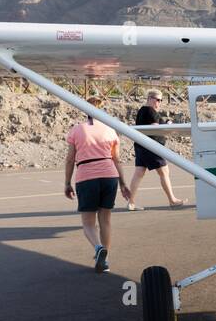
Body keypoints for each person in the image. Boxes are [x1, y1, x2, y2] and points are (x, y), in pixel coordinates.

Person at [65, 95, 132, 272]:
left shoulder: (76, 130)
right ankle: (106, 258)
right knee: (106, 220)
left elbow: (70, 160)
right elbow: (117, 159)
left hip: (86, 176)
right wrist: (123, 183)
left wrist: (67, 183)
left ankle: (98, 248)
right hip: (109, 175)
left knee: (88, 222)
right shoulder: (111, 130)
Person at [127, 89, 186, 211]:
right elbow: (156, 129)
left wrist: (167, 123)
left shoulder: (144, 111)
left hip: (141, 145)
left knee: (139, 173)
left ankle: (131, 202)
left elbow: (158, 124)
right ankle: (172, 200)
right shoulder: (149, 110)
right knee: (164, 172)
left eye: (160, 100)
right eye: (157, 99)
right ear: (149, 98)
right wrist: (168, 127)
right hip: (152, 146)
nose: (159, 102)